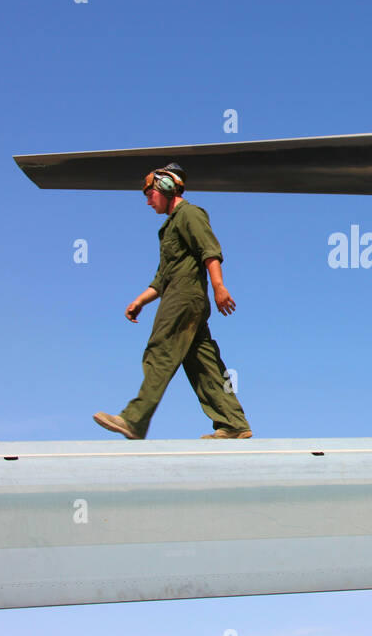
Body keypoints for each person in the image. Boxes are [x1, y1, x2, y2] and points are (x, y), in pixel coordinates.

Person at [93, 163, 253, 440]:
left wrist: (219, 286)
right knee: (203, 363)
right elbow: (161, 278)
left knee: (161, 352)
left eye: (149, 193)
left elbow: (210, 252)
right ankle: (234, 423)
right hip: (180, 295)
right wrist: (140, 300)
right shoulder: (169, 228)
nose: (147, 200)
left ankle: (134, 420)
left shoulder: (190, 214)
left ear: (166, 188)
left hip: (183, 298)